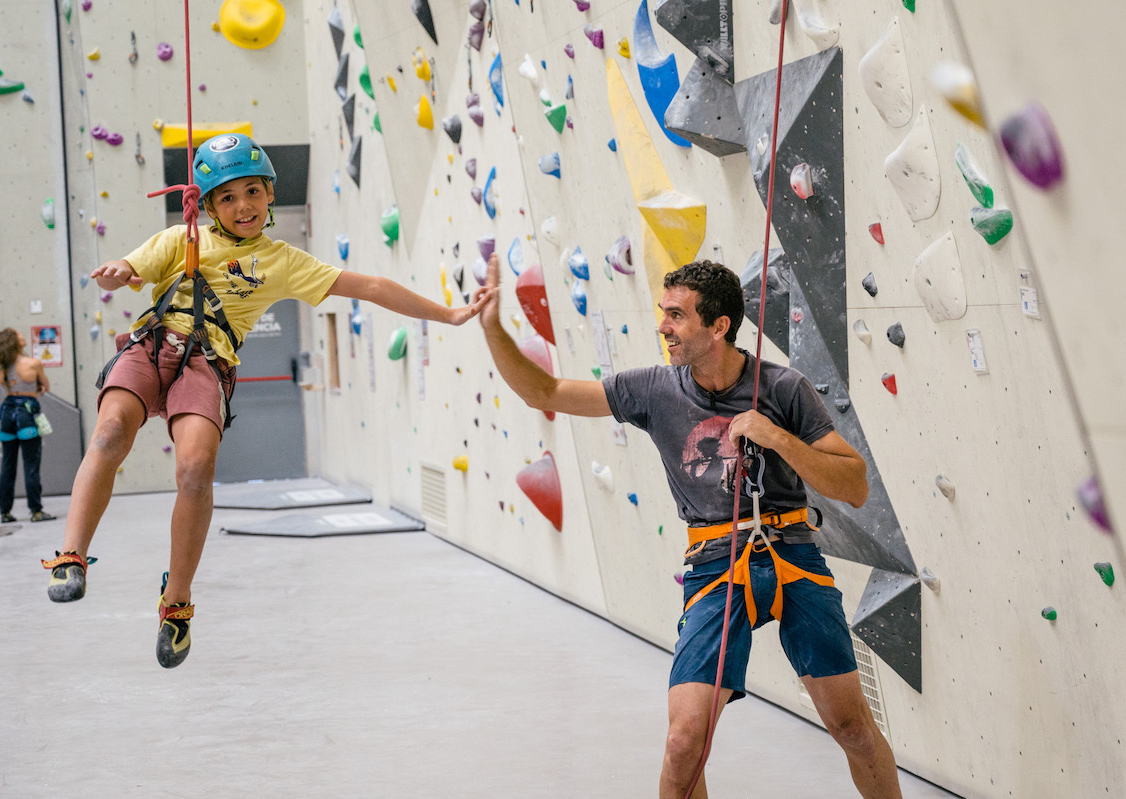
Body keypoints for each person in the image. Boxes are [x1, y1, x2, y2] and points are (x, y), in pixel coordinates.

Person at [44, 133, 491, 669]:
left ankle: (176, 602)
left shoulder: (281, 261)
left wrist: (449, 314)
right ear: (206, 206)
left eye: (253, 191)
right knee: (111, 432)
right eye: (227, 198)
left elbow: (370, 286)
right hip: (152, 345)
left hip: (207, 363)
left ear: (269, 195)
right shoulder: (179, 239)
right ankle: (71, 556)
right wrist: (119, 271)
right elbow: (132, 267)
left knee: (195, 468)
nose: (243, 206)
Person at [477, 255, 901, 798]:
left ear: (718, 326)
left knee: (852, 728)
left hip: (792, 555)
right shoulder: (653, 389)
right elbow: (546, 393)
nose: (663, 326)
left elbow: (855, 486)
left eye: (676, 315)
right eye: (663, 312)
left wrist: (779, 439)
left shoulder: (784, 388)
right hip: (714, 564)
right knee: (684, 743)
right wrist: (493, 330)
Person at [0, 328, 57, 524]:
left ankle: (5, 512)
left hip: (7, 414)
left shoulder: (0, 367)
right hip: (26, 414)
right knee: (31, 465)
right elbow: (45, 385)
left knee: (7, 465)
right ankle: (36, 511)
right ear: (14, 341)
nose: (22, 336)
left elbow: (8, 387)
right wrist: (37, 388)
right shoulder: (33, 363)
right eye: (19, 334)